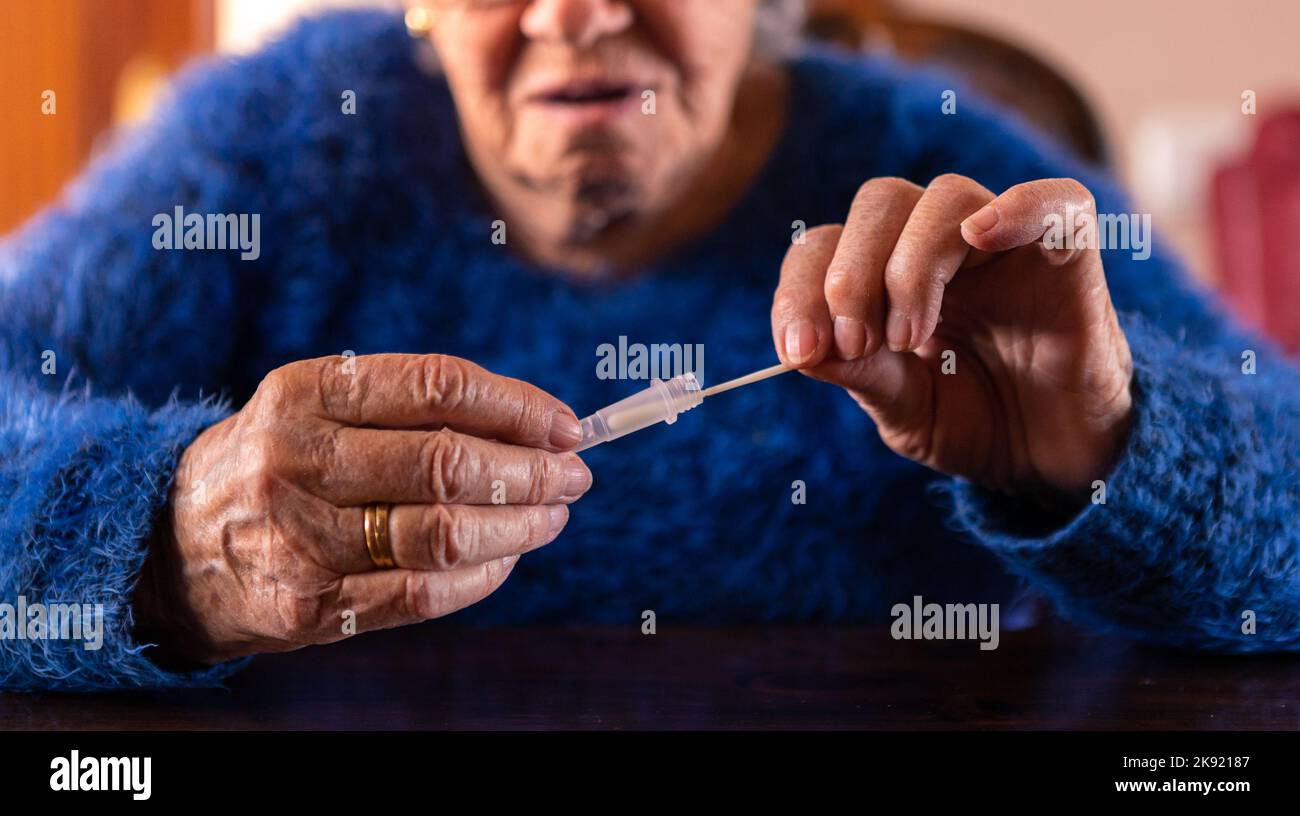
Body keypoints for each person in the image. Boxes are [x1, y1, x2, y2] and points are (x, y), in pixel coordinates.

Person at [1, 0, 1296, 692]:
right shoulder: (269, 141)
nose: (576, 12)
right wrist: (168, 540)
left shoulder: (935, 158)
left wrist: (1114, 450)